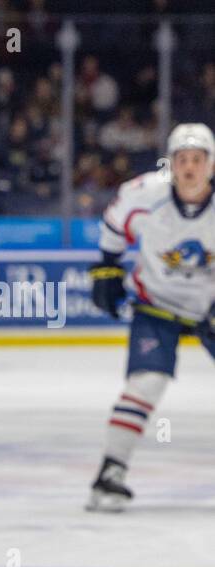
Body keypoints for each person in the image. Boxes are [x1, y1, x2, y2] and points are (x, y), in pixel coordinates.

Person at [88, 122, 215, 511]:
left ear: (211, 165)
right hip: (156, 304)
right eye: (182, 159)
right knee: (145, 383)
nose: (189, 167)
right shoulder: (143, 195)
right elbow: (113, 228)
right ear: (171, 164)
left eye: (197, 159)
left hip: (210, 305)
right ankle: (110, 472)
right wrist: (108, 269)